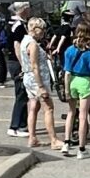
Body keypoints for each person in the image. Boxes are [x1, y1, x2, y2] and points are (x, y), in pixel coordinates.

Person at [16, 18, 61, 150]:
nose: (44, 32)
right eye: (42, 29)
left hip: (28, 78)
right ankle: (53, 140)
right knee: (48, 108)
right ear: (35, 29)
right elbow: (35, 65)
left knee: (33, 107)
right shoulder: (33, 44)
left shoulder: (25, 41)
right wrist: (41, 86)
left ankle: (32, 138)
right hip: (37, 79)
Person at [60, 25, 90, 158]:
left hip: (72, 80)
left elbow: (66, 72)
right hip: (84, 81)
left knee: (71, 112)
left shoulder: (70, 50)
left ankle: (66, 143)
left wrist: (66, 89)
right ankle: (82, 148)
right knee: (83, 115)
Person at [4, 2, 31, 139]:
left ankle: (22, 124)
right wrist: (24, 65)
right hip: (16, 61)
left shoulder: (10, 23)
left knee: (22, 94)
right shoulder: (18, 26)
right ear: (22, 10)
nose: (29, 11)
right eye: (27, 8)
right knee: (21, 94)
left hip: (11, 61)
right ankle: (16, 125)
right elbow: (17, 46)